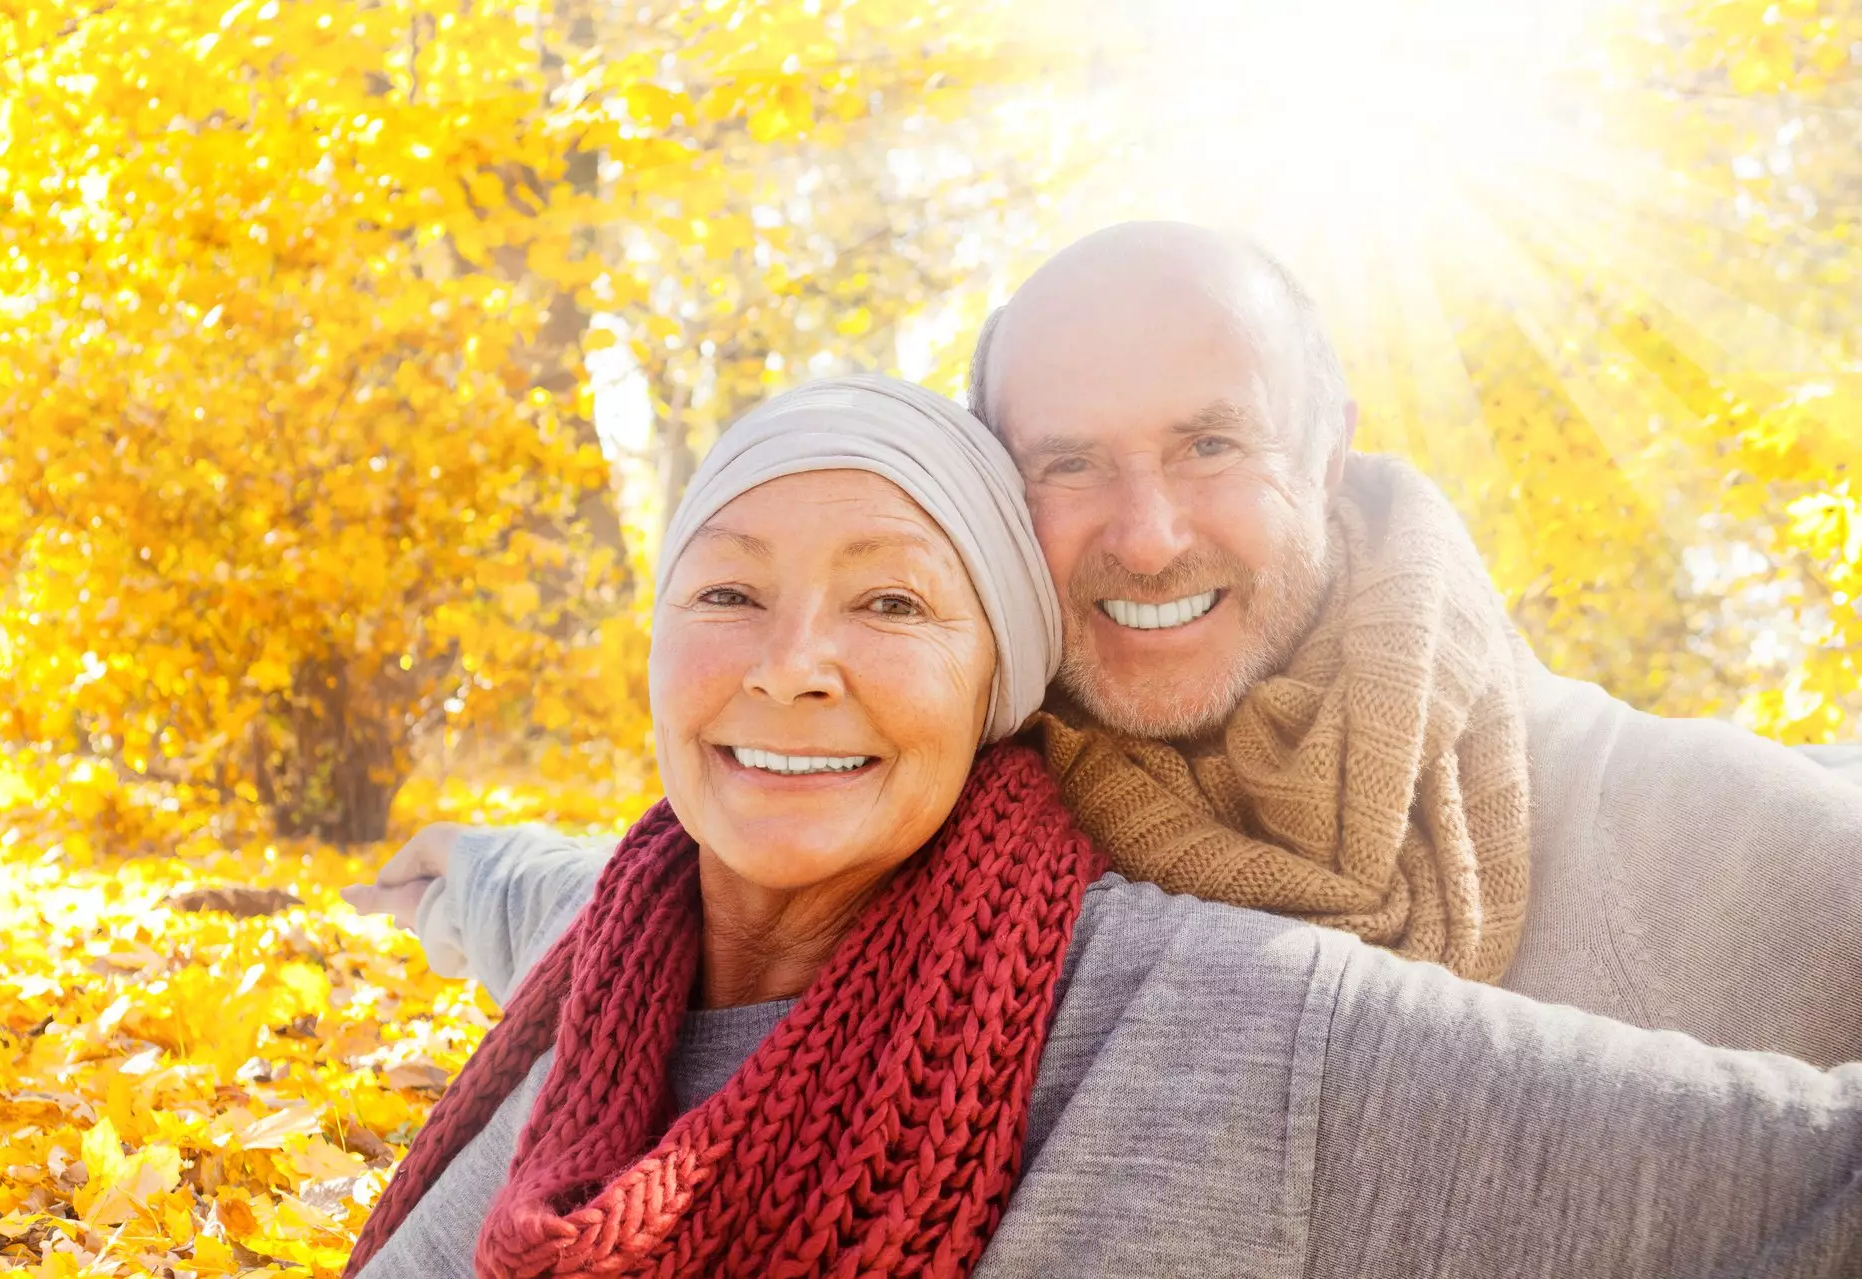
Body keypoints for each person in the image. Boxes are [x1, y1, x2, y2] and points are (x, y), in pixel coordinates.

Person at [344, 374, 1862, 1279]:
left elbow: (1795, 1179)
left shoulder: (1219, 1027)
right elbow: (542, 889)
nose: (791, 658)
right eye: (727, 588)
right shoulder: (609, 952)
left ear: (997, 676)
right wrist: (453, 867)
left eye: (890, 600)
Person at [961, 221, 1862, 1066]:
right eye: (1067, 465)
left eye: (1209, 445)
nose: (1147, 538)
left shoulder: (1709, 840)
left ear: (1324, 459)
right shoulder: (927, 864)